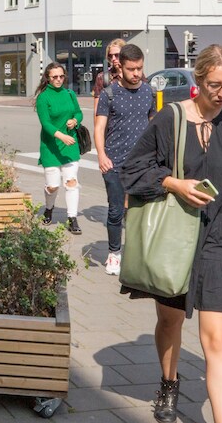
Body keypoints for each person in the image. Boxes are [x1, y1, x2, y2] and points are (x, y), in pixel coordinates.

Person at [120, 44, 222, 423]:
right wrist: (173, 183)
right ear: (197, 81)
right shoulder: (170, 119)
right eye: (214, 85)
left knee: (217, 342)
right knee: (169, 321)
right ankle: (169, 383)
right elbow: (132, 169)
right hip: (176, 239)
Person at [94, 43, 155, 276]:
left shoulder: (148, 92)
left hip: (141, 164)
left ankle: (137, 253)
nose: (136, 73)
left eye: (139, 68)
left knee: (139, 211)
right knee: (116, 211)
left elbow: (153, 125)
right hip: (114, 161)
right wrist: (101, 155)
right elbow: (99, 127)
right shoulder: (109, 94)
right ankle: (114, 254)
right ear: (120, 67)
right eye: (131, 69)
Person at [34, 62, 84, 235]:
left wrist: (75, 121)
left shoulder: (70, 94)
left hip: (70, 145)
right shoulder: (43, 97)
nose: (58, 80)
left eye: (61, 76)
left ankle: (72, 218)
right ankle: (49, 209)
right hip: (51, 146)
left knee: (71, 183)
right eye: (55, 77)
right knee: (53, 186)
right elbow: (45, 123)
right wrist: (61, 135)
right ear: (47, 78)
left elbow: (78, 112)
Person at [92, 38, 126, 116]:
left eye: (117, 55)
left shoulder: (134, 75)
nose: (113, 59)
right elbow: (97, 110)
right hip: (111, 125)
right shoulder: (102, 77)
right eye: (111, 56)